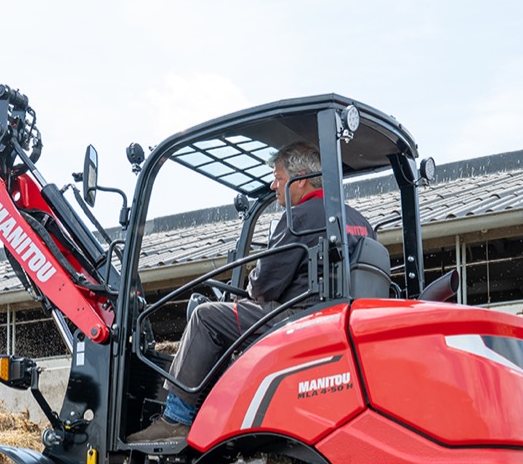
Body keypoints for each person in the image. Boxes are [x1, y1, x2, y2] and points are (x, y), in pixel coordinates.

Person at [130, 141, 375, 443]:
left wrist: (245, 289)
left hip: (296, 319)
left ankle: (177, 419)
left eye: (278, 178)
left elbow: (264, 285)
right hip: (330, 317)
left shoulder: (300, 218)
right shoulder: (359, 221)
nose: (273, 185)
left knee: (205, 317)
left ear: (300, 179)